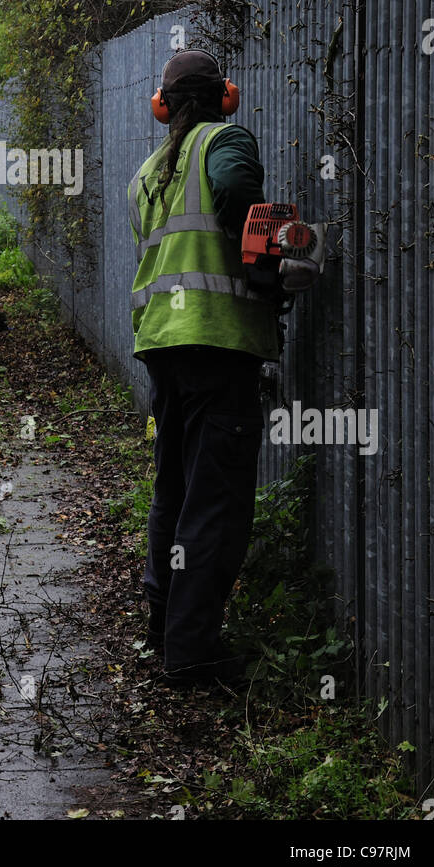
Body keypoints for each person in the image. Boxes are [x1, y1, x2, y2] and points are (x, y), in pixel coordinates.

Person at [128, 49, 280, 686]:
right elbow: (240, 192)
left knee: (176, 488)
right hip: (217, 342)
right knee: (215, 499)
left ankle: (164, 620)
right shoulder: (224, 141)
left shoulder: (150, 171)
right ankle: (192, 654)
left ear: (163, 106)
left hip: (162, 343)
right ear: (226, 96)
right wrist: (264, 265)